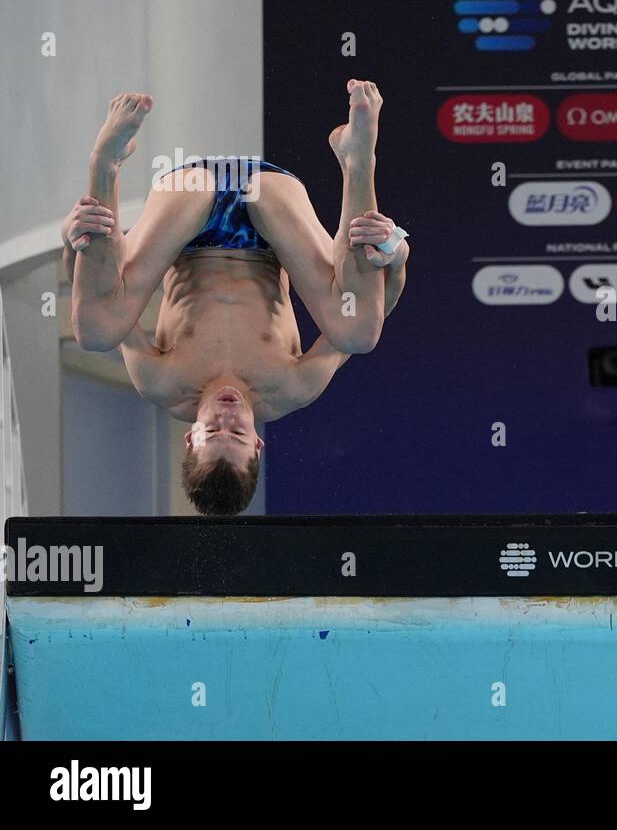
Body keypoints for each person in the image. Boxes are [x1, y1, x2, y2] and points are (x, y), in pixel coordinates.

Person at [62, 80, 409, 515]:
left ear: (191, 435)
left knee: (95, 332)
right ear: (258, 443)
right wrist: (395, 257)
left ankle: (104, 166)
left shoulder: (161, 384)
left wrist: (73, 244)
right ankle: (358, 161)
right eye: (239, 435)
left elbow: (98, 298)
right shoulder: (292, 387)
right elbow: (375, 313)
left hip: (189, 210)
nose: (227, 418)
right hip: (272, 212)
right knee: (358, 333)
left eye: (214, 432)